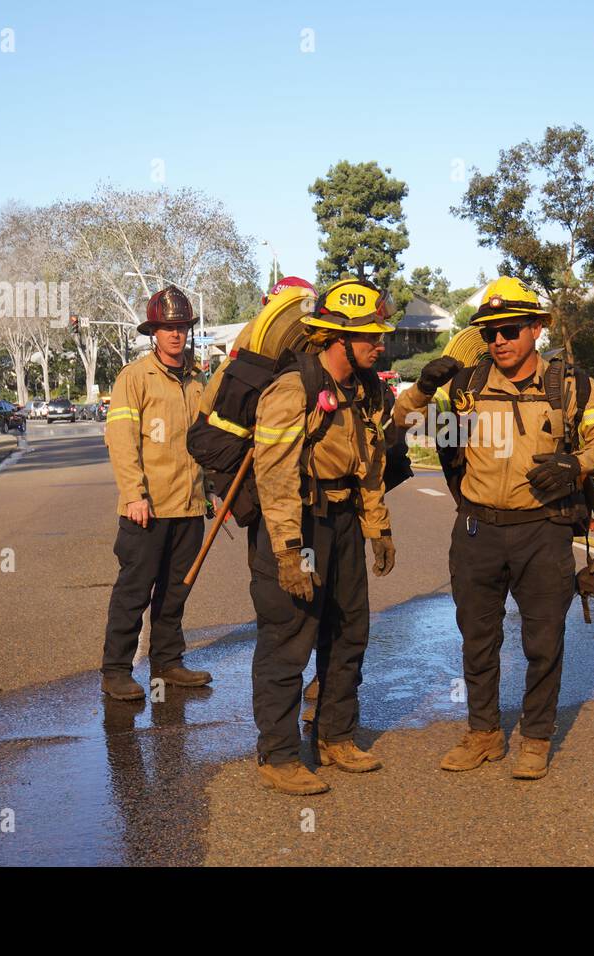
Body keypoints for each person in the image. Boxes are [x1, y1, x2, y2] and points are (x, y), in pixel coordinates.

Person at [392, 276, 594, 780]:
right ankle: (483, 734)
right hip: (477, 531)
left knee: (543, 640)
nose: (499, 339)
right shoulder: (465, 389)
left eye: (511, 329)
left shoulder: (572, 387)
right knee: (477, 638)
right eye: (491, 330)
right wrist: (423, 388)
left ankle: (536, 738)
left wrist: (577, 466)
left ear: (536, 329)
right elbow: (401, 424)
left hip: (543, 531)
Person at [249, 276, 398, 795]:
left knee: (348, 631)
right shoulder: (293, 390)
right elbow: (275, 476)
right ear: (338, 338)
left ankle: (334, 736)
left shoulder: (369, 389)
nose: (381, 344)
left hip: (342, 523)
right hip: (297, 523)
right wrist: (289, 550)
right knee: (289, 640)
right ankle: (280, 753)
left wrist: (376, 527)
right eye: (371, 336)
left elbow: (372, 465)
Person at [101, 286, 213, 701]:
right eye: (167, 328)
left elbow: (203, 442)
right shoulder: (134, 378)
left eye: (181, 326)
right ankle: (116, 671)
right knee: (134, 592)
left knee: (175, 590)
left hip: (188, 506)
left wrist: (211, 489)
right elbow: (122, 439)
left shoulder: (199, 381)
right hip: (146, 508)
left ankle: (168, 663)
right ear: (154, 333)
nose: (175, 334)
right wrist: (134, 494)